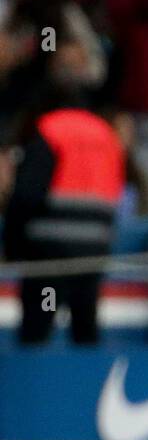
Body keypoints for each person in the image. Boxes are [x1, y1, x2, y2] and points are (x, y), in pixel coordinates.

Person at [1, 93, 126, 346]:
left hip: (50, 252)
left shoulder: (50, 129)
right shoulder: (106, 134)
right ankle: (90, 383)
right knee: (85, 327)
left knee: (39, 325)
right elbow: (116, 189)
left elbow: (27, 194)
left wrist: (12, 246)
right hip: (93, 250)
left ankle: (35, 382)